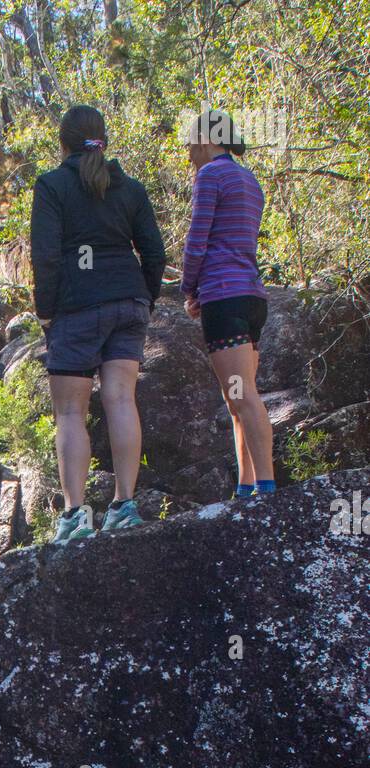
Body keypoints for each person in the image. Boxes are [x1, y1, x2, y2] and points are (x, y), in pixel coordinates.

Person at [30, 104, 166, 542]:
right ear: (102, 139)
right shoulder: (130, 188)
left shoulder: (52, 186)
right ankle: (124, 506)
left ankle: (75, 517)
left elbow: (46, 256)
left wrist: (46, 310)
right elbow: (155, 253)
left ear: (63, 142)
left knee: (71, 411)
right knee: (121, 401)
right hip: (128, 302)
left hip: (77, 307)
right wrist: (143, 298)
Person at [182, 110, 274, 499]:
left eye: (189, 143)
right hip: (252, 298)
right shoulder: (250, 180)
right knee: (237, 396)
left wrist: (189, 289)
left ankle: (267, 489)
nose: (188, 153)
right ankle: (247, 487)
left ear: (206, 140)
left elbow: (197, 239)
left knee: (242, 396)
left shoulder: (211, 176)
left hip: (223, 296)